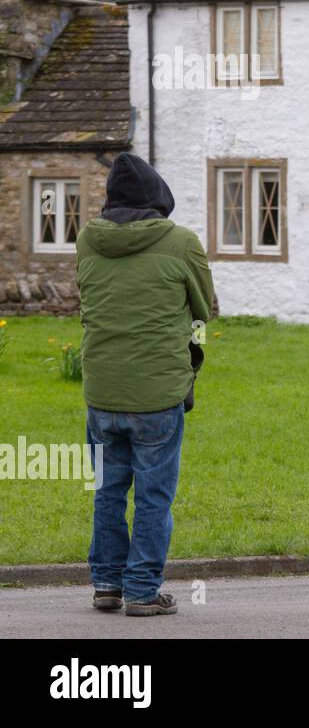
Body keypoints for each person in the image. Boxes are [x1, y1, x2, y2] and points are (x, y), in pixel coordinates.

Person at [77, 153, 214, 617]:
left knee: (108, 491)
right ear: (159, 200)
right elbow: (204, 308)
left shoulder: (86, 242)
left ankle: (107, 585)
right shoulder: (182, 243)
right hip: (157, 393)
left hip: (101, 390)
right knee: (153, 493)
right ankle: (141, 590)